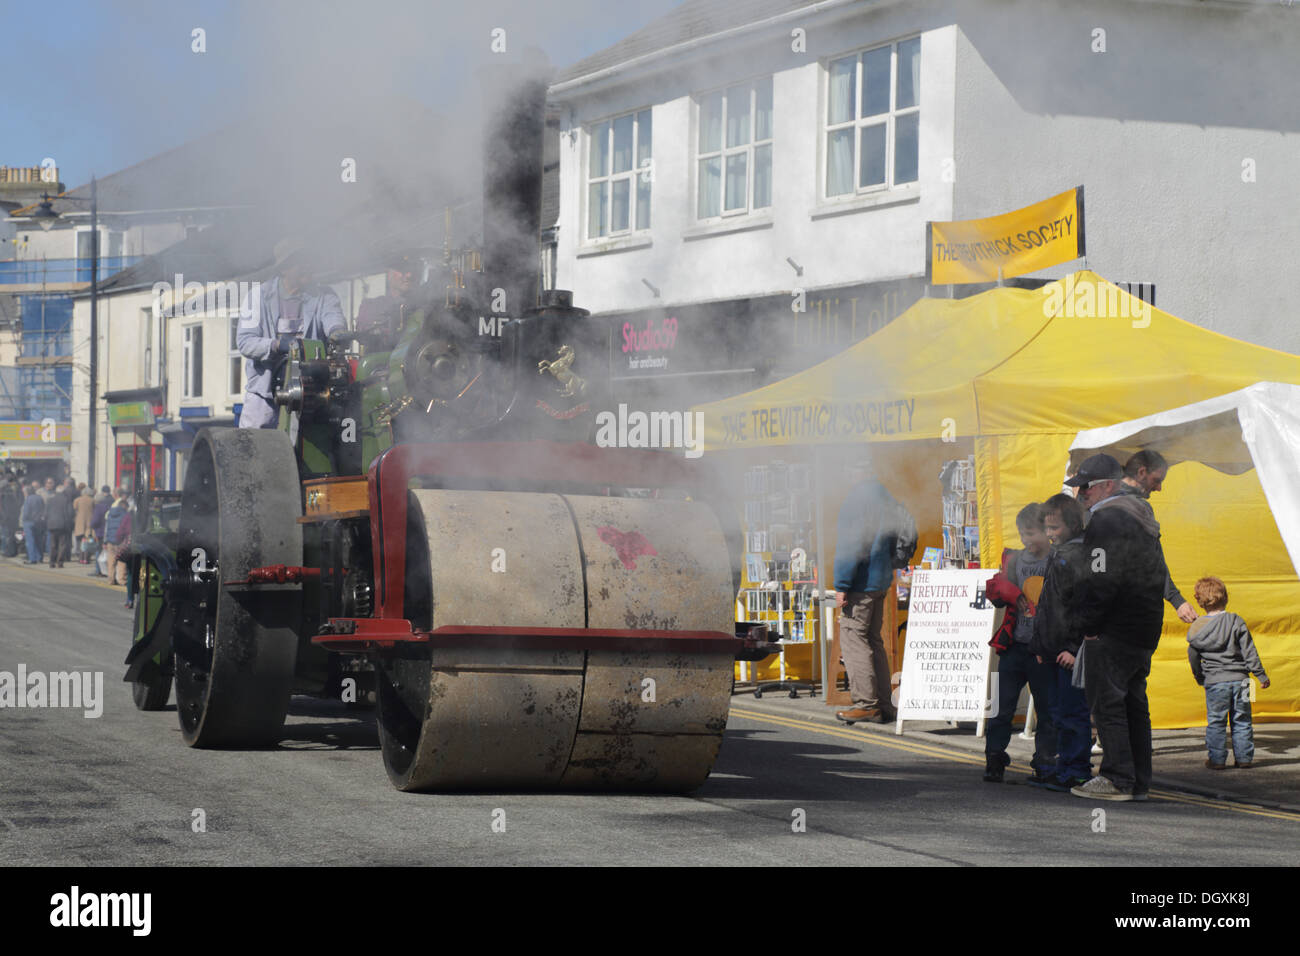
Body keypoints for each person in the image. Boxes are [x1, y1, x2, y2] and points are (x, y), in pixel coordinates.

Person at [1067, 453, 1171, 801]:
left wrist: (1090, 624)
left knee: (1108, 705)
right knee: (1133, 705)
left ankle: (1116, 778)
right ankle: (1138, 781)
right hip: (1143, 625)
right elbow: (1157, 576)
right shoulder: (1141, 517)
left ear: (1107, 485)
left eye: (1086, 488)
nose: (1081, 494)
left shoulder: (1107, 519)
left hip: (1114, 628)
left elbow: (1101, 577)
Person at [832, 463, 916, 725]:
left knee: (854, 640)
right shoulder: (884, 494)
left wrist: (842, 584)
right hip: (880, 580)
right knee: (873, 641)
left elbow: (851, 544)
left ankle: (866, 704)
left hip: (861, 582)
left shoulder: (857, 499)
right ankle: (883, 704)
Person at [237, 239, 346, 429]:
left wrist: (337, 332)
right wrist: (276, 345)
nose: (308, 267)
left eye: (309, 261)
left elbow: (332, 317)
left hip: (311, 393)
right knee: (254, 450)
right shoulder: (257, 297)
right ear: (284, 269)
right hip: (264, 395)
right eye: (300, 262)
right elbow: (245, 342)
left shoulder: (324, 295)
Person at [981, 503, 1055, 783]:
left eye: (1032, 534)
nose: (1027, 541)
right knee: (1000, 707)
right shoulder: (1013, 560)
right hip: (1013, 648)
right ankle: (994, 758)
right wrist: (1009, 591)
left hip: (1043, 651)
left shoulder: (1056, 560)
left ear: (1047, 532)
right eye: (1023, 534)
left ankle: (1045, 763)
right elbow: (994, 592)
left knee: (1048, 711)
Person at [1029, 493, 1093, 791]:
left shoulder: (1076, 555)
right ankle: (1065, 768)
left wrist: (1073, 647)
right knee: (1059, 713)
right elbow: (1049, 606)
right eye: (1048, 528)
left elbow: (1083, 607)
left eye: (1055, 528)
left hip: (1068, 651)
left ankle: (1076, 771)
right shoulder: (1062, 552)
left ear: (1072, 524)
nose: (1050, 534)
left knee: (1072, 713)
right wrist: (1042, 647)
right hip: (1054, 650)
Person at [1187, 576, 1269, 770]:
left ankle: (1217, 760)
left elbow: (1193, 656)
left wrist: (1200, 677)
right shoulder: (1236, 621)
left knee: (1216, 721)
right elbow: (1250, 650)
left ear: (1199, 600)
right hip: (1243, 680)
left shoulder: (1197, 628)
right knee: (1243, 720)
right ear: (1225, 597)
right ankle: (1245, 759)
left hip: (1215, 682)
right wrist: (1261, 675)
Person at [1118, 450, 1197, 624]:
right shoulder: (1139, 508)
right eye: (1157, 480)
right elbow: (1153, 559)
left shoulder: (1098, 496)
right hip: (1125, 613)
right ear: (1141, 472)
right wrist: (1177, 600)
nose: (1159, 488)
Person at [355, 255, 418, 348]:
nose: (409, 275)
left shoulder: (423, 306)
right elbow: (363, 335)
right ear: (389, 274)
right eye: (403, 270)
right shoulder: (371, 306)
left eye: (411, 271)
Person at [103, 489, 131, 586]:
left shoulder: (110, 513)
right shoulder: (126, 515)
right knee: (121, 560)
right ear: (125, 507)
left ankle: (110, 579)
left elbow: (106, 527)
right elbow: (125, 529)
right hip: (120, 540)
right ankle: (121, 580)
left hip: (110, 540)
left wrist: (105, 541)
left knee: (111, 560)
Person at [45, 479, 74, 568]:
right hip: (63, 525)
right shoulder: (66, 500)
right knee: (62, 544)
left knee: (53, 544)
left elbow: (46, 513)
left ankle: (51, 562)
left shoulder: (50, 500)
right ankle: (60, 562)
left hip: (52, 524)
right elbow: (70, 513)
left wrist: (47, 522)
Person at [87, 486, 113, 576]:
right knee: (104, 551)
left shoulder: (98, 507)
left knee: (99, 551)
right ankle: (104, 570)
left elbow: (95, 521)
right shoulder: (107, 506)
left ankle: (99, 570)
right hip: (106, 531)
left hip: (99, 532)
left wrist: (91, 525)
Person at [20, 482, 45, 565]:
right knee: (38, 540)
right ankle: (39, 558)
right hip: (38, 521)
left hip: (29, 522)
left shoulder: (28, 499)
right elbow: (43, 509)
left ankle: (32, 558)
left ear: (27, 492)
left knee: (30, 541)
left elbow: (26, 512)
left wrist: (23, 520)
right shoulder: (39, 498)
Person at [73, 487, 96, 563]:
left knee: (80, 541)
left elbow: (75, 508)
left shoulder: (77, 500)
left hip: (79, 522)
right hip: (89, 522)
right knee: (88, 541)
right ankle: (86, 558)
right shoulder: (92, 500)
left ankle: (81, 558)